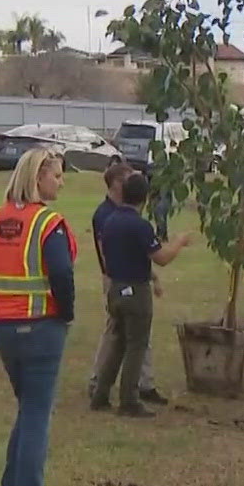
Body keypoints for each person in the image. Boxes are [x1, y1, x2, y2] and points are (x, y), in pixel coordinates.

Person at [0, 148, 76, 486]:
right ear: (37, 178)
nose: (61, 182)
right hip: (42, 327)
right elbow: (61, 273)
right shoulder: (49, 224)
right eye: (56, 175)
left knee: (28, 407)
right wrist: (67, 313)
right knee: (37, 413)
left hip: (3, 329)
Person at [90, 171, 192, 418]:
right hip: (136, 291)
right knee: (137, 345)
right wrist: (178, 242)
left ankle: (100, 394)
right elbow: (162, 258)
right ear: (144, 198)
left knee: (117, 343)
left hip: (115, 288)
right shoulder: (140, 225)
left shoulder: (110, 220)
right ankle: (129, 400)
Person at [86, 162, 167, 406]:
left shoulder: (116, 214)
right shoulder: (107, 215)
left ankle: (141, 383)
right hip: (120, 280)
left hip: (123, 278)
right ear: (117, 184)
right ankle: (107, 385)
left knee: (128, 337)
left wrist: (150, 276)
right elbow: (112, 252)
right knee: (121, 337)